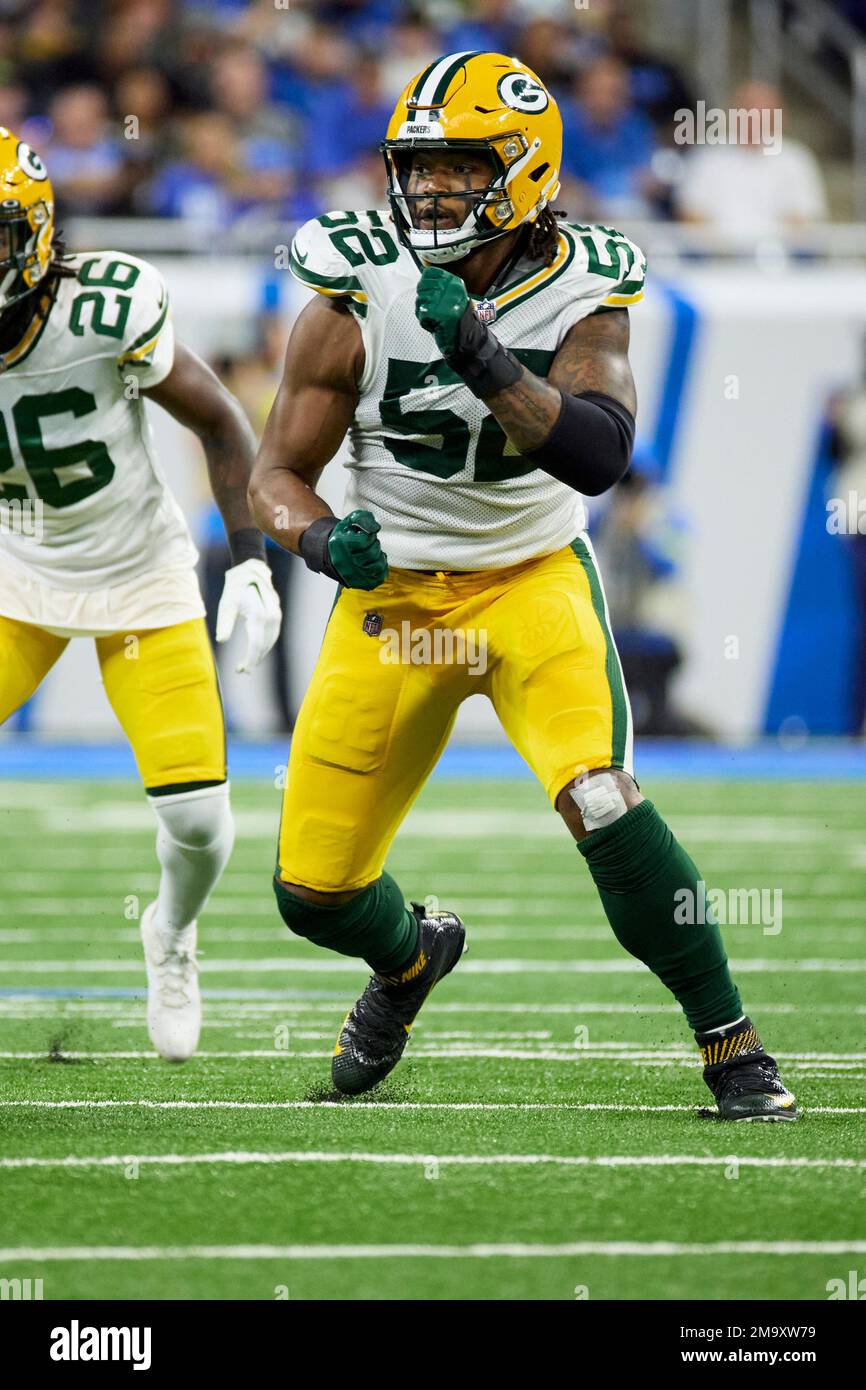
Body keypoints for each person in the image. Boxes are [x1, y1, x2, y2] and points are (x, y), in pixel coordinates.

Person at [249, 52, 796, 1122]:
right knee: (311, 894)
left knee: (598, 793)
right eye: (419, 170)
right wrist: (318, 543)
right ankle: (411, 960)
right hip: (395, 599)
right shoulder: (356, 279)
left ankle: (731, 1045)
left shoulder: (588, 278)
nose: (430, 192)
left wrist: (485, 355)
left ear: (526, 168)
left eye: (458, 170)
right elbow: (274, 474)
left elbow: (598, 454)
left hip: (527, 578)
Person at [0, 128, 281, 1062]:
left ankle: (170, 934)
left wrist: (247, 555)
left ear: (36, 238)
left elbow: (219, 418)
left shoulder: (106, 304)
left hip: (136, 577)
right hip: (13, 573)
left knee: (200, 819)